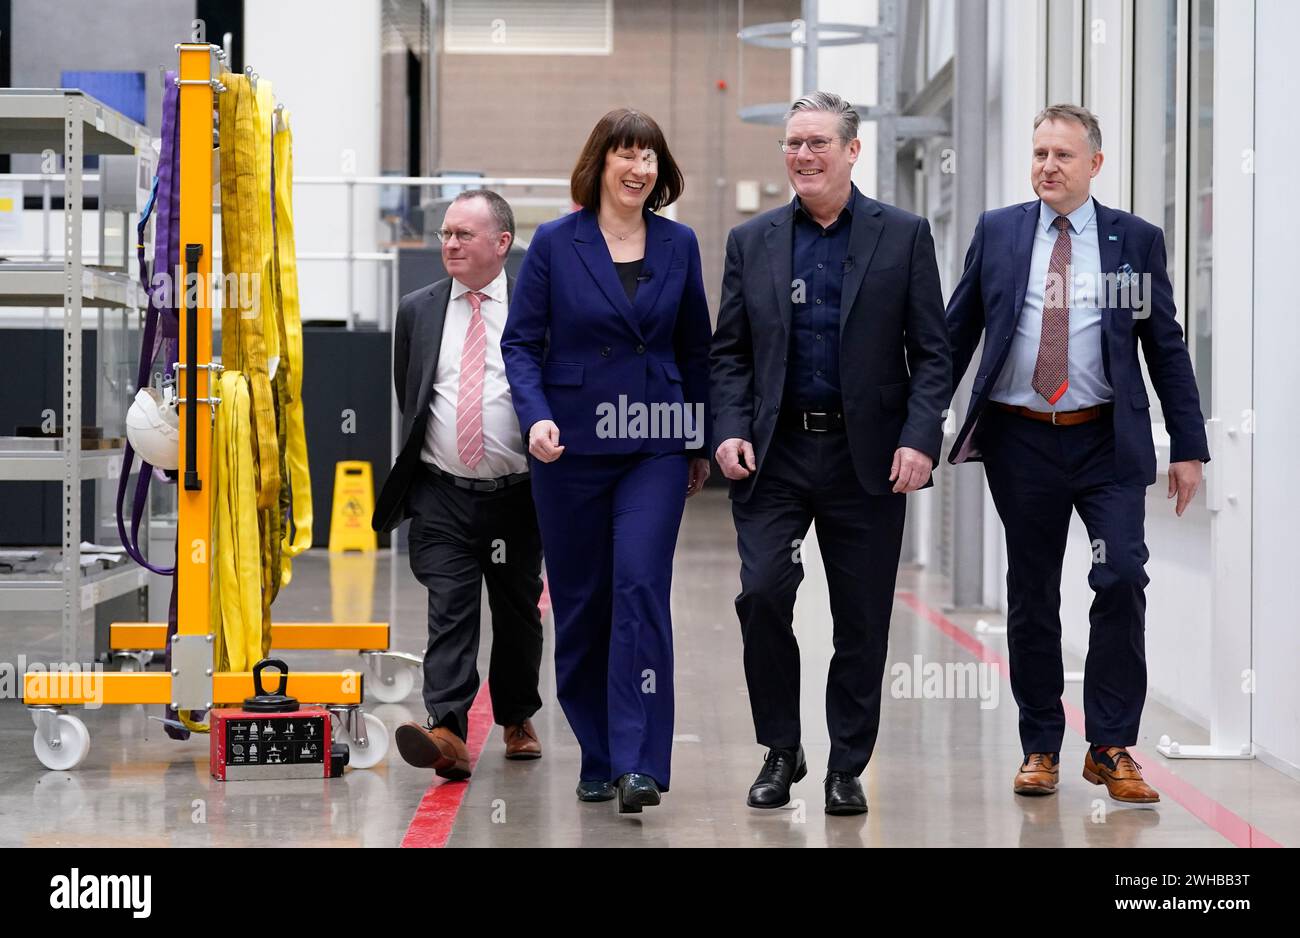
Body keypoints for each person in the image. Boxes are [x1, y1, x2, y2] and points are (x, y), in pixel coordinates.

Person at [945, 104, 1209, 804]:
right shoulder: (999, 233)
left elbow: (1166, 347)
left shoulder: (1135, 241)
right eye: (1038, 154)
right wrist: (914, 427)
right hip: (1021, 438)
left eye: (1062, 155)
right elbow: (956, 332)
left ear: (1095, 164)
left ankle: (1112, 746)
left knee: (1120, 576)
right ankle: (1040, 746)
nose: (1047, 167)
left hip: (1105, 440)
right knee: (1031, 595)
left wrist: (1189, 445)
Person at [710, 91, 951, 816]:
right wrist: (727, 427)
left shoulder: (902, 236)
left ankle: (848, 764)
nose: (803, 155)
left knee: (862, 617)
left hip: (866, 458)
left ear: (852, 151)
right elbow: (730, 354)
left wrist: (918, 438)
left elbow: (932, 354)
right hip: (775, 455)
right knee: (762, 594)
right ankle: (781, 749)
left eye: (817, 142)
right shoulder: (751, 241)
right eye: (792, 143)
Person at [502, 108, 712, 814]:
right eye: (626, 154)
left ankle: (640, 761)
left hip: (653, 442)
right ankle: (597, 751)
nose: (639, 168)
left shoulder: (679, 245)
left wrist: (697, 439)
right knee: (584, 603)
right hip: (569, 450)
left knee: (640, 589)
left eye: (650, 157)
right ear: (601, 163)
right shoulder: (557, 245)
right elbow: (521, 345)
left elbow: (696, 350)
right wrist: (535, 419)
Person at [373, 190, 545, 779]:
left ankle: (517, 715)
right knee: (450, 607)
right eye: (446, 233)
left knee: (518, 611)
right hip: (443, 491)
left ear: (501, 243)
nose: (449, 244)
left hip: (519, 495)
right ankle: (445, 728)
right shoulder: (416, 310)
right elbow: (410, 393)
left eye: (463, 235)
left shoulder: (534, 306)